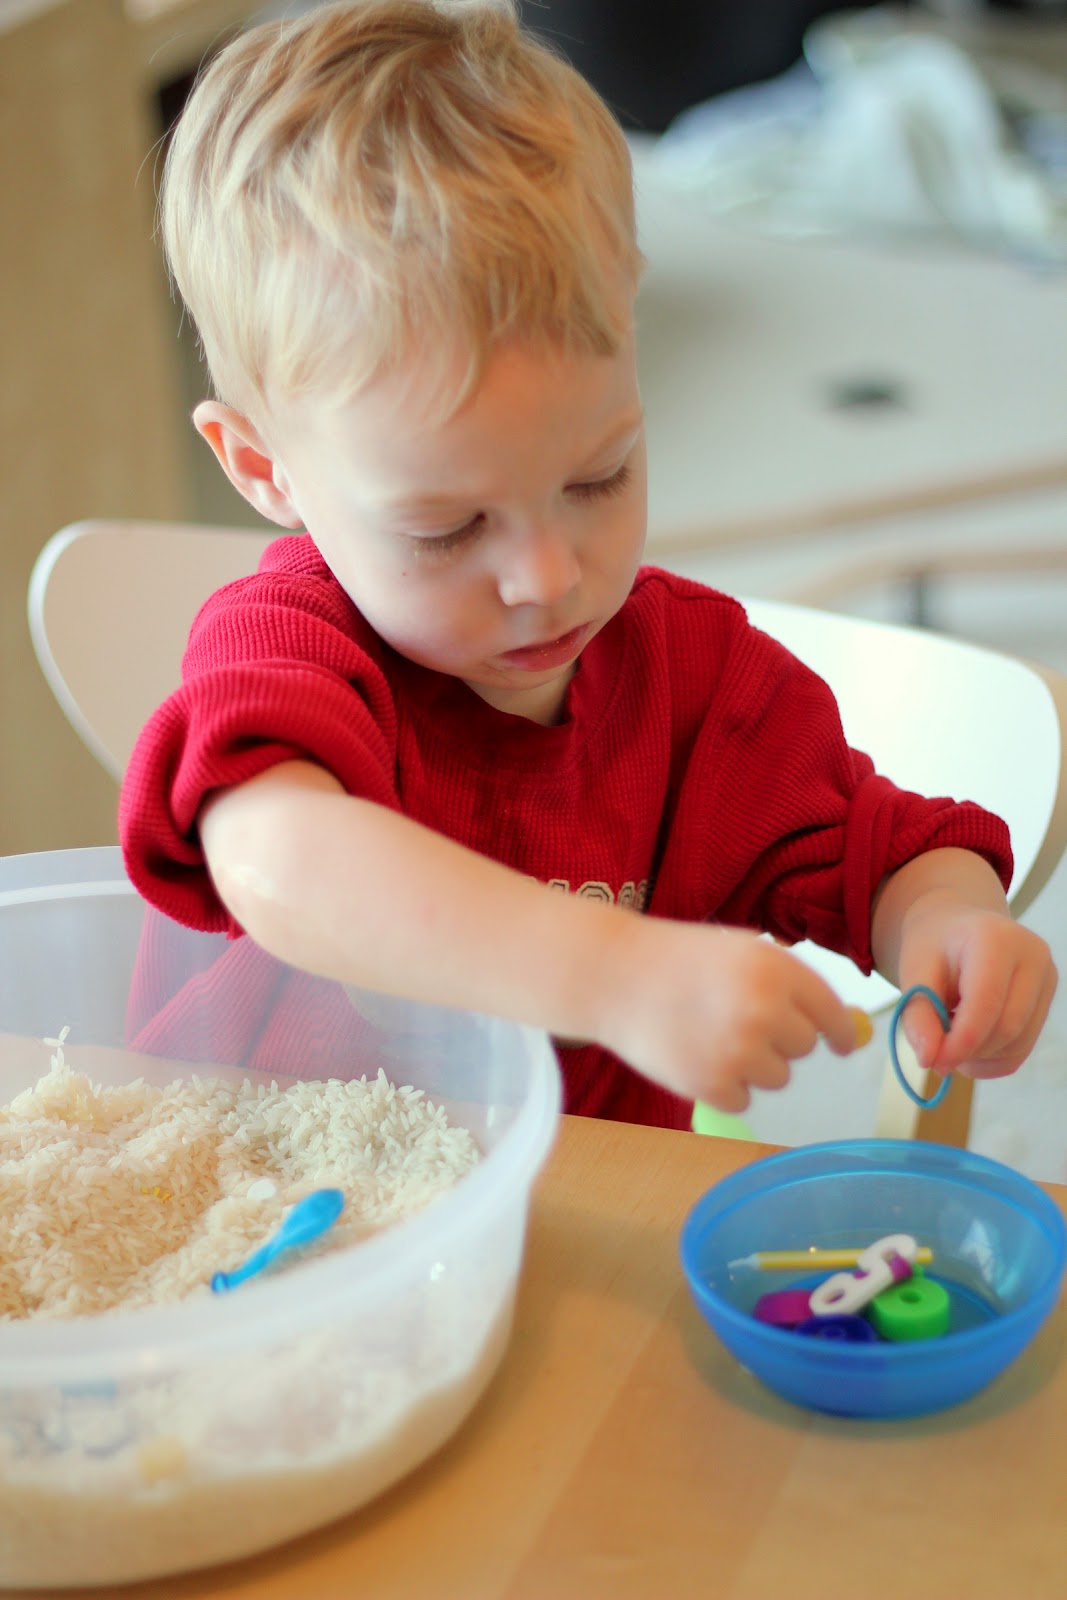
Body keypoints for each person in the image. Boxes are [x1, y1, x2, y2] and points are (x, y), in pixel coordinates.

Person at [119, 0, 1056, 1131]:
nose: (545, 575)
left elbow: (877, 848)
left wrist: (948, 926)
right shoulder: (288, 644)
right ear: (263, 468)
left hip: (575, 1215)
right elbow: (277, 866)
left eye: (597, 475)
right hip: (266, 1214)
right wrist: (612, 974)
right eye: (447, 529)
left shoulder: (694, 682)